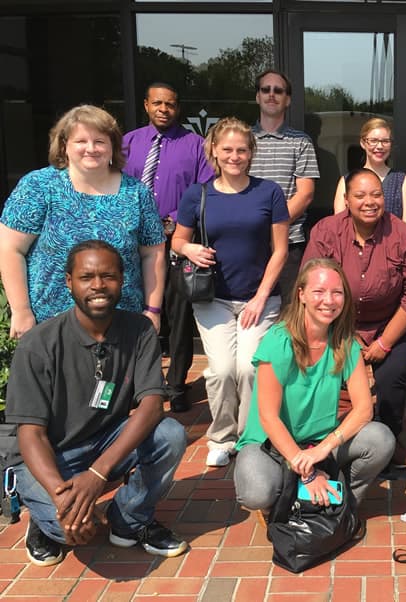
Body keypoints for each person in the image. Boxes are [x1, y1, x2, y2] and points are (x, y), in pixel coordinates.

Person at [5, 240, 187, 567]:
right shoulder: (38, 344)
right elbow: (31, 434)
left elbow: (151, 405)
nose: (98, 285)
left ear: (122, 279)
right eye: (86, 277)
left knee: (170, 434)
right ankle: (43, 521)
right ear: (69, 282)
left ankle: (129, 520)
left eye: (108, 276)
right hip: (52, 455)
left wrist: (97, 474)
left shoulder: (139, 330)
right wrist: (62, 497)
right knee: (69, 529)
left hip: (104, 442)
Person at [233, 258, 394, 516]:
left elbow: (364, 409)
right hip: (270, 444)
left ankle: (341, 502)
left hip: (319, 443)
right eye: (318, 291)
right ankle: (297, 496)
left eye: (337, 292)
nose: (328, 300)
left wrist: (323, 449)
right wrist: (306, 472)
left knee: (380, 439)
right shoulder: (279, 340)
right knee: (257, 491)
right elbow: (268, 417)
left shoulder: (345, 342)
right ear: (302, 295)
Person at [172, 117, 289, 467]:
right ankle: (223, 437)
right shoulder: (197, 194)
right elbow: (178, 240)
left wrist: (260, 297)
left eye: (241, 150)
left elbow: (280, 250)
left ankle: (251, 436)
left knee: (250, 369)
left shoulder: (269, 192)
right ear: (214, 151)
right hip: (214, 298)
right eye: (227, 150)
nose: (234, 156)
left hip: (260, 298)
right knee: (222, 371)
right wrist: (189, 249)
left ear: (251, 152)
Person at [0, 105, 165, 339]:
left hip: (122, 325)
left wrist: (153, 310)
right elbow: (9, 248)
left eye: (100, 141)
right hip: (50, 325)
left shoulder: (136, 193)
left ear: (112, 146)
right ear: (64, 145)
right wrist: (21, 310)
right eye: (81, 141)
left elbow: (153, 254)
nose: (91, 148)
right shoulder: (38, 186)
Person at [303, 168, 406, 469]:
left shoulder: (402, 234)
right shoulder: (327, 231)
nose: (369, 202)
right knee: (326, 373)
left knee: (393, 376)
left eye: (376, 195)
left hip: (389, 322)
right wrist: (344, 335)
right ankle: (328, 436)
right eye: (360, 195)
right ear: (346, 200)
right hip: (336, 322)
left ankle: (389, 438)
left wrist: (384, 343)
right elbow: (312, 285)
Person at [123, 82, 215, 413]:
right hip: (133, 240)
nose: (164, 109)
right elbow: (116, 186)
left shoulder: (196, 145)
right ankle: (139, 383)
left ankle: (176, 385)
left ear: (178, 108)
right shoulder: (128, 143)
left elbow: (205, 189)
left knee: (178, 315)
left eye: (170, 104)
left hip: (176, 240)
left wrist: (173, 220)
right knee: (136, 312)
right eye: (158, 103)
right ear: (146, 105)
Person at [249, 69, 319, 306]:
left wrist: (272, 226)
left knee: (288, 314)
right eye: (265, 89)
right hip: (248, 243)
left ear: (287, 100)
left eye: (278, 91)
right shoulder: (242, 140)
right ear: (257, 96)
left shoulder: (301, 141)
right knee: (249, 312)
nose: (271, 95)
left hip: (290, 244)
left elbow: (305, 194)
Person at [333, 117, 406, 227]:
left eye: (385, 141)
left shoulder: (402, 180)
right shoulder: (346, 180)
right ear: (363, 143)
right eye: (373, 141)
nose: (380, 146)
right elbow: (339, 224)